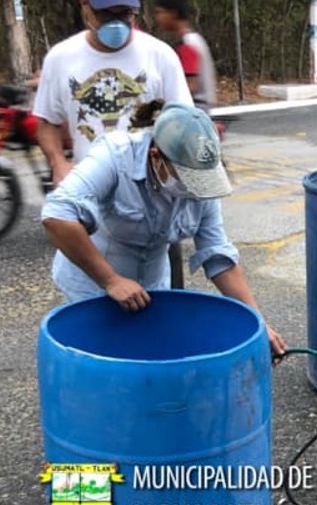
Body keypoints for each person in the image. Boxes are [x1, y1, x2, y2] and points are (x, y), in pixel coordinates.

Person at [41, 101, 286, 358]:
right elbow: (57, 216)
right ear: (156, 157)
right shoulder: (115, 156)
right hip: (92, 286)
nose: (193, 189)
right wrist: (110, 280)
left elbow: (218, 257)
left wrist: (258, 325)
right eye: (185, 178)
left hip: (151, 290)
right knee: (101, 361)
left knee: (147, 359)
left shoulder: (204, 183)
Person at [33, 0, 193, 186]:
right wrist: (58, 163)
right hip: (89, 187)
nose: (116, 23)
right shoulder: (60, 58)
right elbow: (47, 122)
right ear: (85, 5)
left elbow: (184, 121)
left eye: (125, 14)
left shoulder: (160, 56)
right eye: (106, 14)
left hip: (147, 187)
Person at [153, 0, 218, 113]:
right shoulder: (195, 39)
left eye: (160, 12)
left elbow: (191, 86)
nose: (158, 18)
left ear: (173, 13)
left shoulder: (187, 43)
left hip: (194, 109)